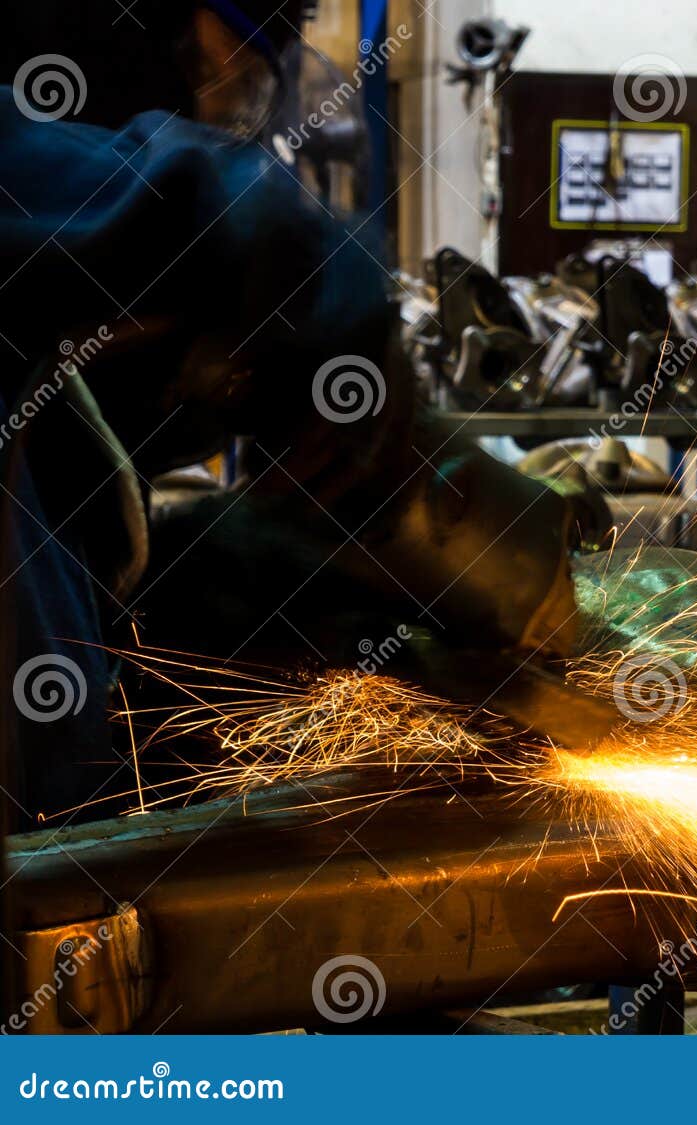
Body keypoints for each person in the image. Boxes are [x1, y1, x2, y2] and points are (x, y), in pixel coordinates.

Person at [0, 1, 396, 820]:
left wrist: (197, 580)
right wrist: (299, 262)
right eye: (209, 71)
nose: (196, 112)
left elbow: (55, 509)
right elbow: (178, 209)